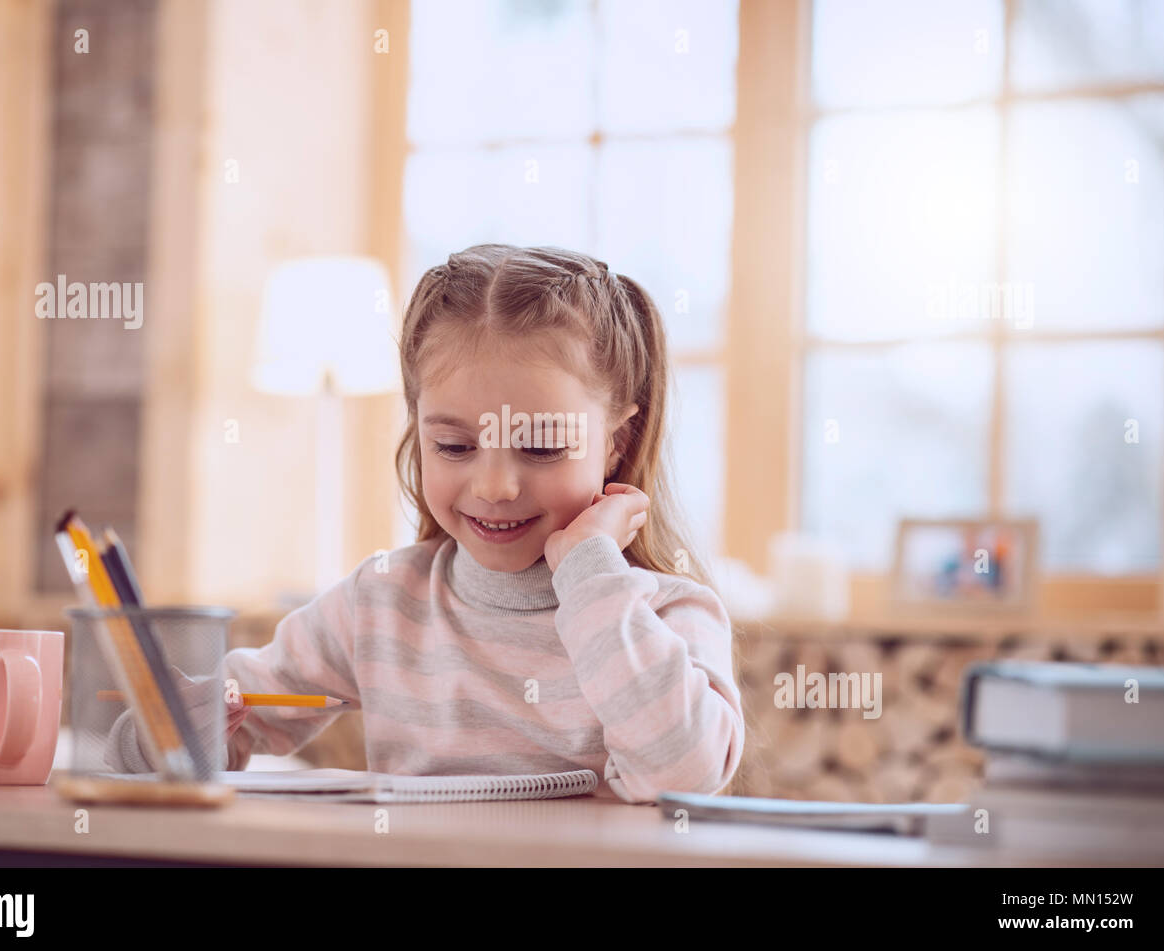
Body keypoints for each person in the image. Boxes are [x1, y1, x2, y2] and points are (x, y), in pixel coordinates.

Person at [108, 243, 745, 804]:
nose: (495, 486)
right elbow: (226, 731)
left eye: (543, 446)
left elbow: (681, 772)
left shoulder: (666, 615)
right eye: (455, 447)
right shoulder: (381, 602)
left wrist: (591, 579)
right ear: (418, 432)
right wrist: (164, 734)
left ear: (616, 440)